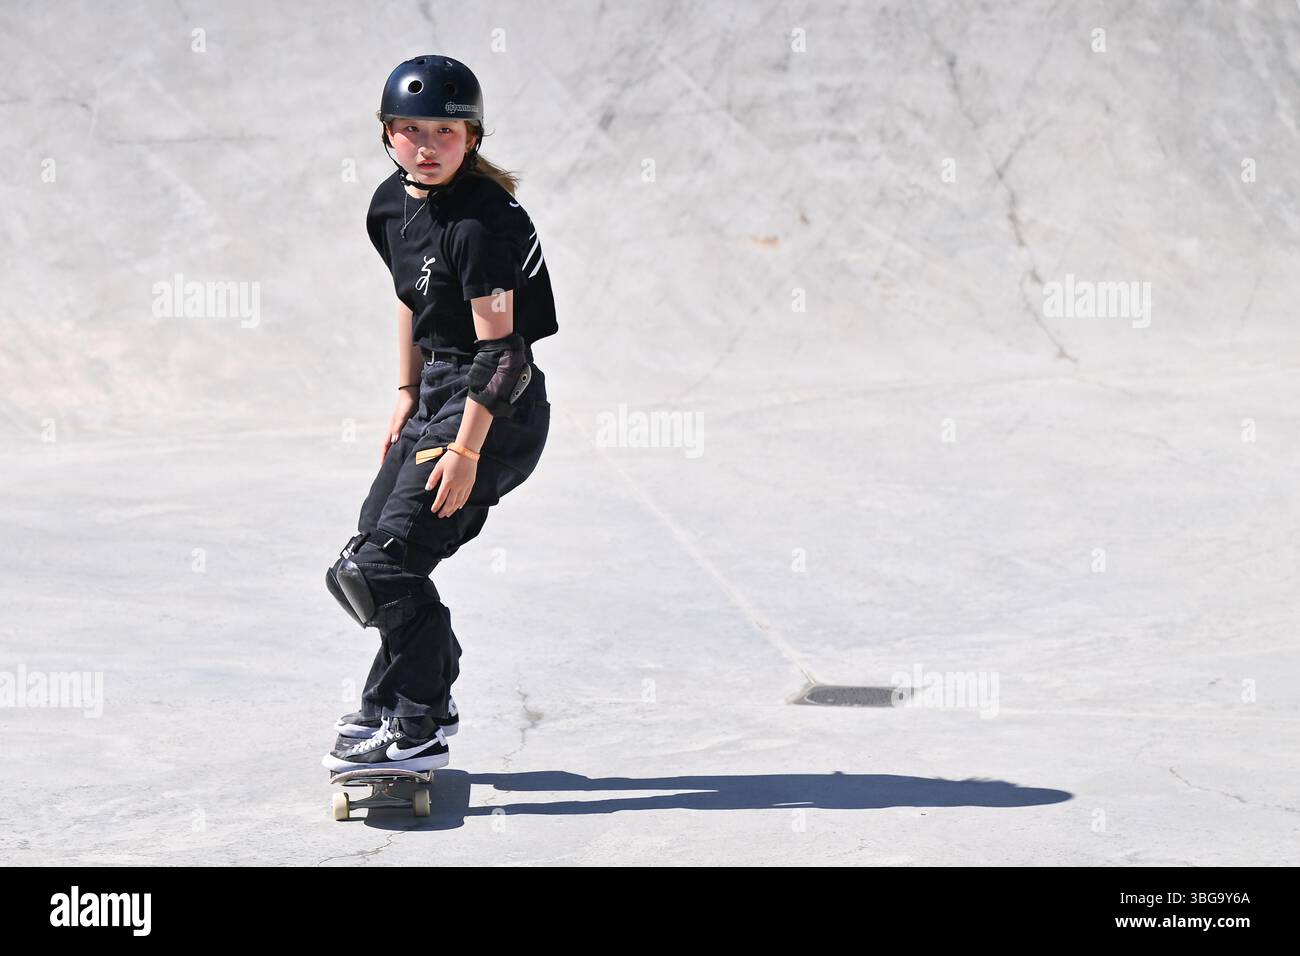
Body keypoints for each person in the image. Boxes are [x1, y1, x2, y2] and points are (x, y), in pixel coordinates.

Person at [321, 55, 558, 774]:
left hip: (495, 409)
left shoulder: (484, 225)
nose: (427, 145)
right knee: (362, 564)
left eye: (445, 132)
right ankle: (414, 693)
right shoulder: (391, 203)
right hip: (437, 395)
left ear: (474, 137)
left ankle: (418, 720)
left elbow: (505, 357)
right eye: (411, 130)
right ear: (387, 133)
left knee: (386, 566)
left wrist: (465, 451)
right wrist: (404, 392)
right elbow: (409, 295)